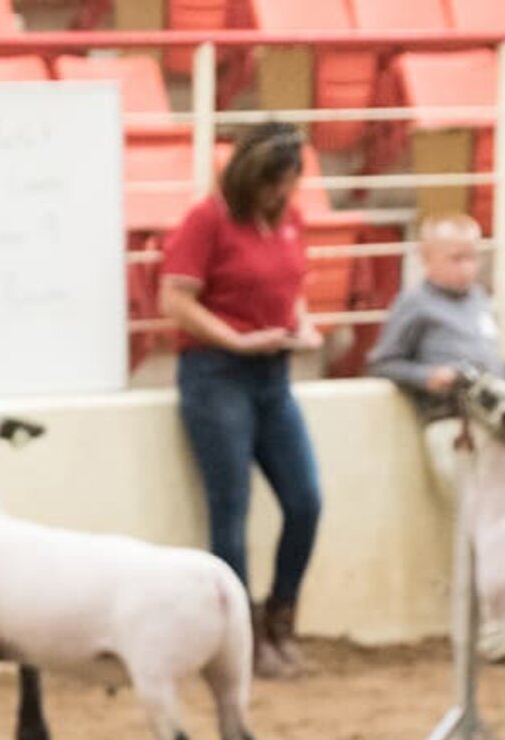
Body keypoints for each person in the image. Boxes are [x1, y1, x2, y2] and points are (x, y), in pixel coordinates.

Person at [160, 121, 324, 680]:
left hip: (271, 373)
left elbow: (290, 290)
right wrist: (235, 338)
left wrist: (300, 327)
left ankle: (281, 613)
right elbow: (176, 300)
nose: (283, 196)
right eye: (275, 184)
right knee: (231, 510)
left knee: (305, 500)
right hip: (218, 373)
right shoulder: (207, 222)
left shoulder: (289, 223)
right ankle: (242, 635)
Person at [367, 213, 505, 662]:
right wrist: (429, 377)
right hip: (452, 427)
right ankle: (491, 635)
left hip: (493, 426)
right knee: (482, 525)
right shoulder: (414, 305)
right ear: (427, 259)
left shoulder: (478, 302)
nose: (467, 267)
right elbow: (384, 361)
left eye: (473, 257)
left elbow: (489, 360)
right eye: (456, 258)